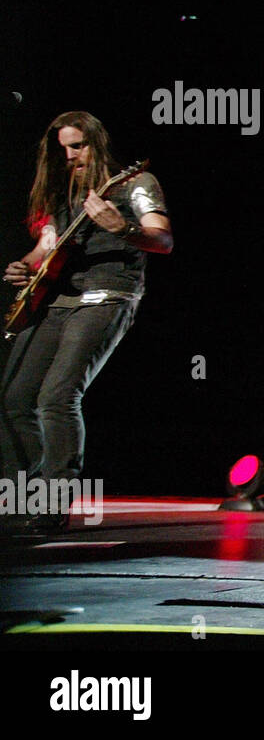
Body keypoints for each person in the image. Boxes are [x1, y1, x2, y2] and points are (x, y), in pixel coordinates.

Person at [1, 111, 172, 533]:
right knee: (16, 400)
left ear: (96, 142)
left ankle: (54, 504)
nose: (70, 156)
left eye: (78, 145)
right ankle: (22, 499)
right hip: (57, 300)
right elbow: (44, 248)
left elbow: (162, 239)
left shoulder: (134, 184)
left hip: (107, 296)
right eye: (61, 150)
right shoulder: (60, 195)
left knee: (57, 397)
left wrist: (123, 228)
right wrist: (24, 268)